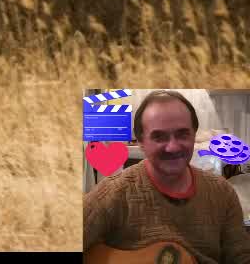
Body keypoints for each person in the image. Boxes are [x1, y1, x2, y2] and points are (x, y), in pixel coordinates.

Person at [85, 90, 250, 264]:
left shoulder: (222, 192)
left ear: (194, 135)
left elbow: (239, 257)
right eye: (159, 137)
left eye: (182, 134)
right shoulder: (114, 193)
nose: (172, 147)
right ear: (141, 142)